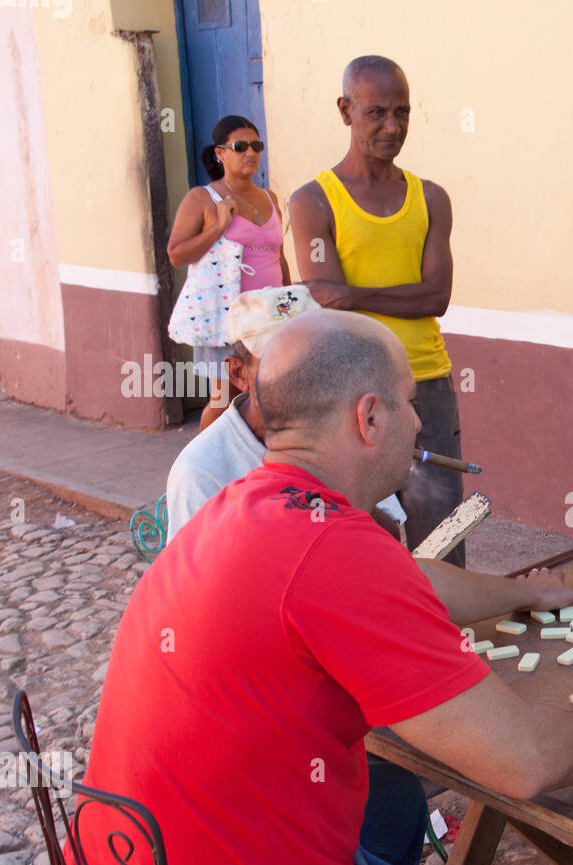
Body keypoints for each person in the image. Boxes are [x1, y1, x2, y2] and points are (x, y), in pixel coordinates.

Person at [70, 310, 573, 865]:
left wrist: (527, 591)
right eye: (410, 402)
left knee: (404, 851)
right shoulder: (333, 552)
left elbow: (411, 579)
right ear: (369, 417)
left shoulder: (244, 505)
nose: (420, 424)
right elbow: (524, 763)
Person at [289, 56, 464, 564]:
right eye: (377, 113)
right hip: (351, 392)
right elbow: (324, 299)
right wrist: (356, 295)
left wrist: (357, 294)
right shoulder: (313, 201)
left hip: (425, 384)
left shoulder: (431, 199)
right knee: (362, 541)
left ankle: (445, 641)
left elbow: (437, 298)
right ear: (346, 111)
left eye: (403, 113)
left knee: (442, 539)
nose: (393, 127)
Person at [164, 284, 406, 544]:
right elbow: (200, 579)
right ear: (238, 374)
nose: (307, 375)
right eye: (282, 363)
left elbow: (389, 540)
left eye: (317, 357)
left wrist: (341, 486)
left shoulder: (348, 429)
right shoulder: (201, 470)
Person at [167, 115, 291, 430]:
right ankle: (202, 468)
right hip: (225, 318)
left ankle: (253, 469)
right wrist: (218, 226)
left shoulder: (269, 198)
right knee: (225, 400)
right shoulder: (202, 199)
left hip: (269, 318)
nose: (250, 153)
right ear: (220, 153)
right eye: (240, 146)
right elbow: (176, 254)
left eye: (256, 146)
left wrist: (291, 302)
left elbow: (280, 257)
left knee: (267, 397)